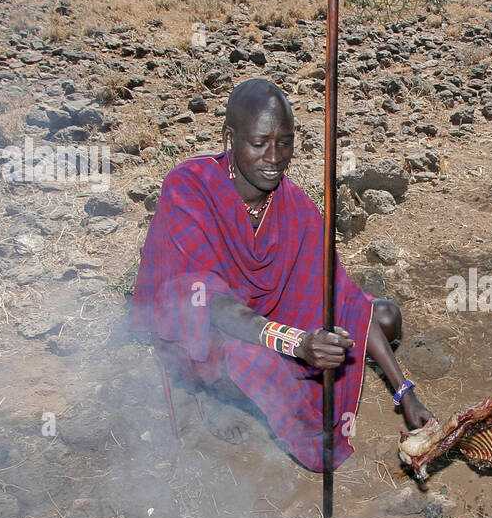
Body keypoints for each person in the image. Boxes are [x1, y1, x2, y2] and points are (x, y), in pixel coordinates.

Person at [130, 78, 432, 472]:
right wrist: (296, 342)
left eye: (285, 142)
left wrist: (404, 392)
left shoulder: (294, 207)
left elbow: (344, 297)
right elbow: (213, 304)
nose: (274, 157)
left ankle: (274, 373)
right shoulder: (188, 188)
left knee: (382, 317)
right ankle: (210, 396)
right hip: (205, 328)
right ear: (230, 138)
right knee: (253, 360)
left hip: (269, 321)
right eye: (258, 144)